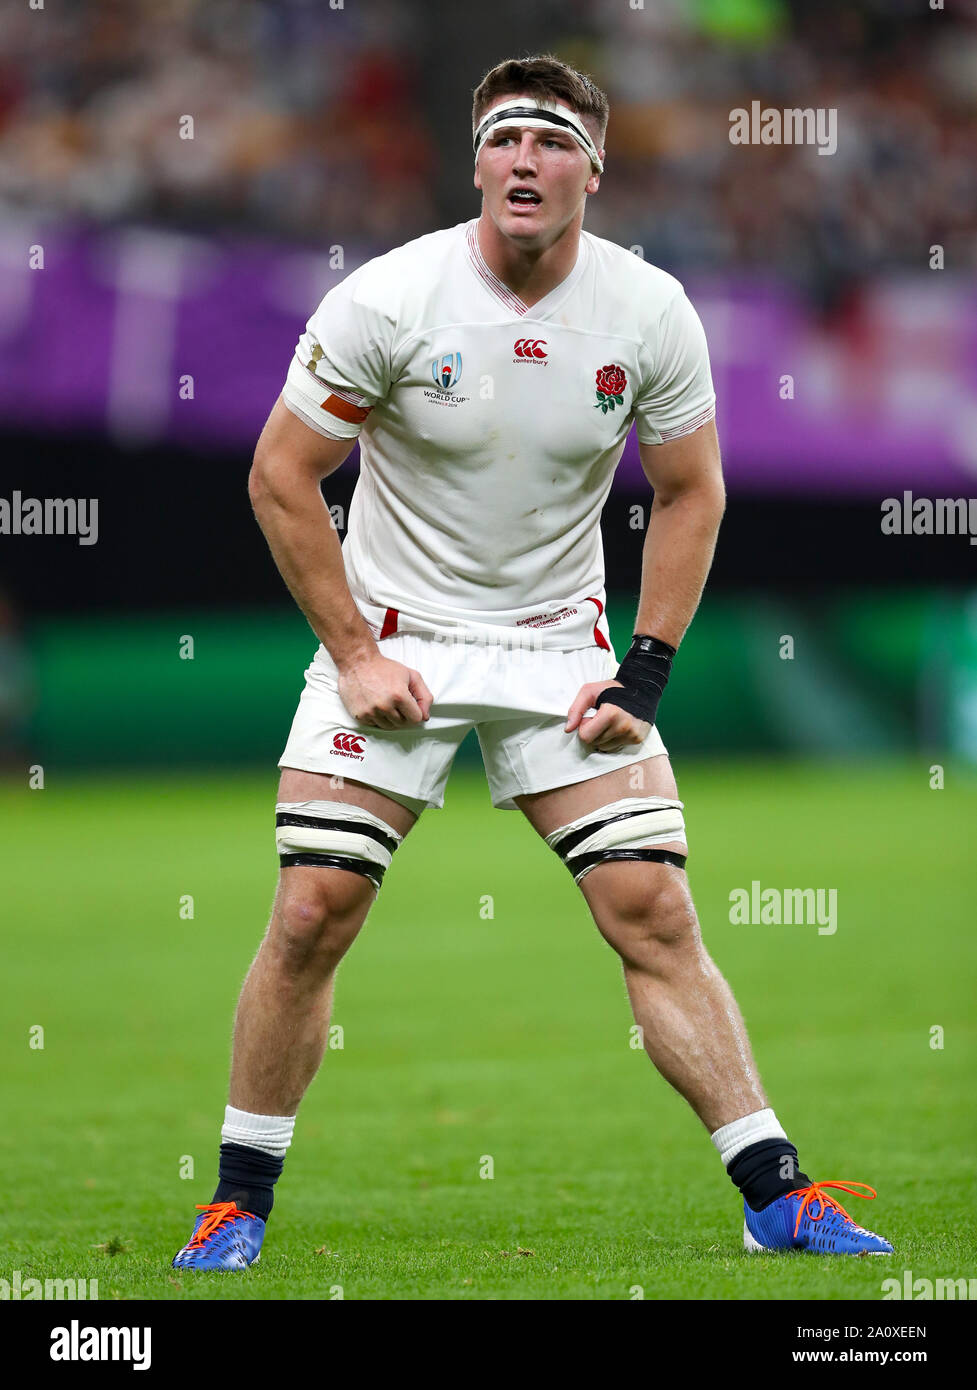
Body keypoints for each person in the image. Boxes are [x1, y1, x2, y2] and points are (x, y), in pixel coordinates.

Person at [173, 55, 891, 1270]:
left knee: (650, 906)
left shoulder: (648, 310)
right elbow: (279, 475)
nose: (523, 158)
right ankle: (237, 1201)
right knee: (310, 908)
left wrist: (644, 671)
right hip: (395, 639)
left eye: (551, 141)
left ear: (590, 172)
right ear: (475, 163)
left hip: (558, 645)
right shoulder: (391, 298)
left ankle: (776, 1193)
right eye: (503, 137)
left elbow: (689, 491)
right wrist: (350, 652)